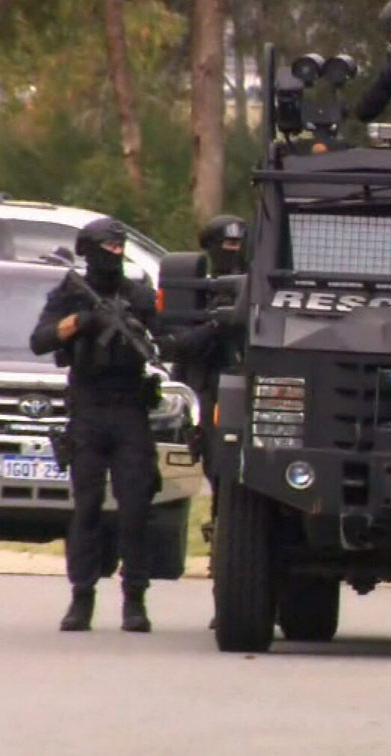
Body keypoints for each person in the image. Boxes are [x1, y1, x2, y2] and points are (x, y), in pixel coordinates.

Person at [30, 217, 165, 633]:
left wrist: (144, 332)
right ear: (88, 250)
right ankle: (81, 599)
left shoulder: (138, 295)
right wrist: (80, 324)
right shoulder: (70, 293)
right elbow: (40, 340)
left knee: (136, 509)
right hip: (87, 408)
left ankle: (134, 601)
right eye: (106, 247)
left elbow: (167, 341)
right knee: (86, 508)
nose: (114, 254)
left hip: (129, 408)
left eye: (118, 246)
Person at [162, 214, 247, 629]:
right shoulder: (196, 292)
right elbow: (177, 345)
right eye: (224, 245)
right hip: (209, 395)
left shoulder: (259, 286)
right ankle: (223, 592)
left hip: (251, 395)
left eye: (237, 245)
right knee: (222, 491)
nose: (231, 251)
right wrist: (216, 323)